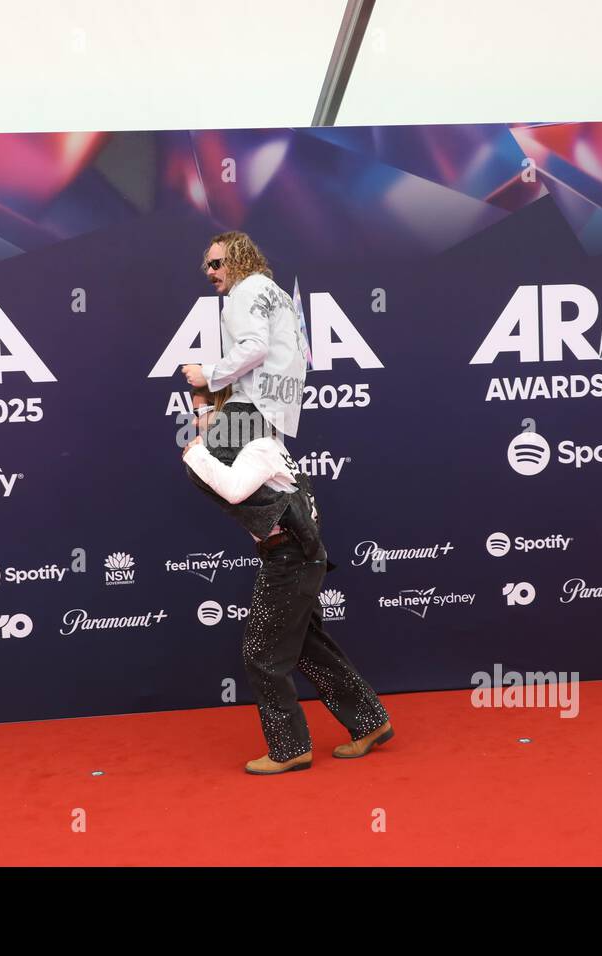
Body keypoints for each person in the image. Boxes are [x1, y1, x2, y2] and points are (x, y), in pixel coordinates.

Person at [181, 385, 393, 775]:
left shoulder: (258, 446)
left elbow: (232, 489)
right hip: (294, 556)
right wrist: (202, 425)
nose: (202, 423)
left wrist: (194, 453)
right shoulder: (254, 442)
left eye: (212, 411)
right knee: (308, 648)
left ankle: (290, 748)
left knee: (261, 653)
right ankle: (368, 720)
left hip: (290, 560)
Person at [181, 232, 307, 464]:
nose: (210, 272)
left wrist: (206, 374)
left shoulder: (245, 292)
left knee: (203, 463)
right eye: (207, 266)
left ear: (238, 260)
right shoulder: (277, 294)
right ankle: (295, 499)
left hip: (252, 404)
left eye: (216, 264)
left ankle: (293, 501)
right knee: (256, 474)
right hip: (274, 410)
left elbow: (255, 346)